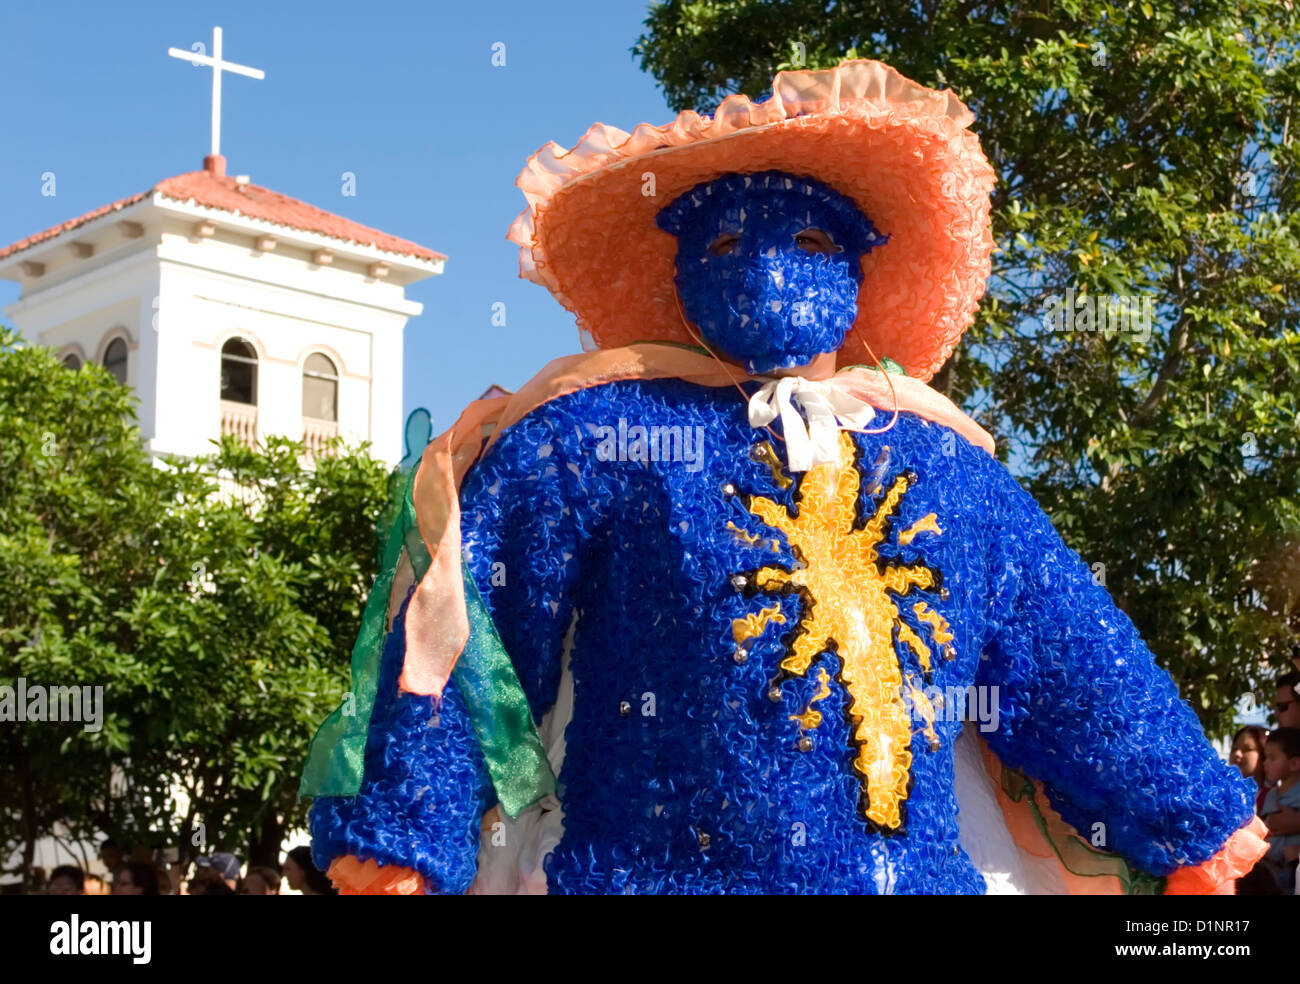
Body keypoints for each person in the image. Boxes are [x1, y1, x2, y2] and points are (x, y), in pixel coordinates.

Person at [303, 58, 1268, 895]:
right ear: (680, 266)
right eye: (723, 241)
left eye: (810, 241)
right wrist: (404, 823)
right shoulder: (591, 434)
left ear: (859, 265)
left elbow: (1065, 650)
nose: (767, 268)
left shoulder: (945, 463)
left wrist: (1186, 812)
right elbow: (469, 618)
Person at [1259, 727, 1300, 893]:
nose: (1265, 763)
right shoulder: (1270, 795)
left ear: (1294, 763)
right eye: (1265, 757)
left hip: (1293, 871)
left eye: (1272, 758)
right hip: (1270, 869)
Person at [1230, 725, 1271, 813]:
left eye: (1247, 749)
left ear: (1265, 755)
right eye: (1234, 748)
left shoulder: (1276, 797)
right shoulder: (1223, 794)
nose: (1237, 753)